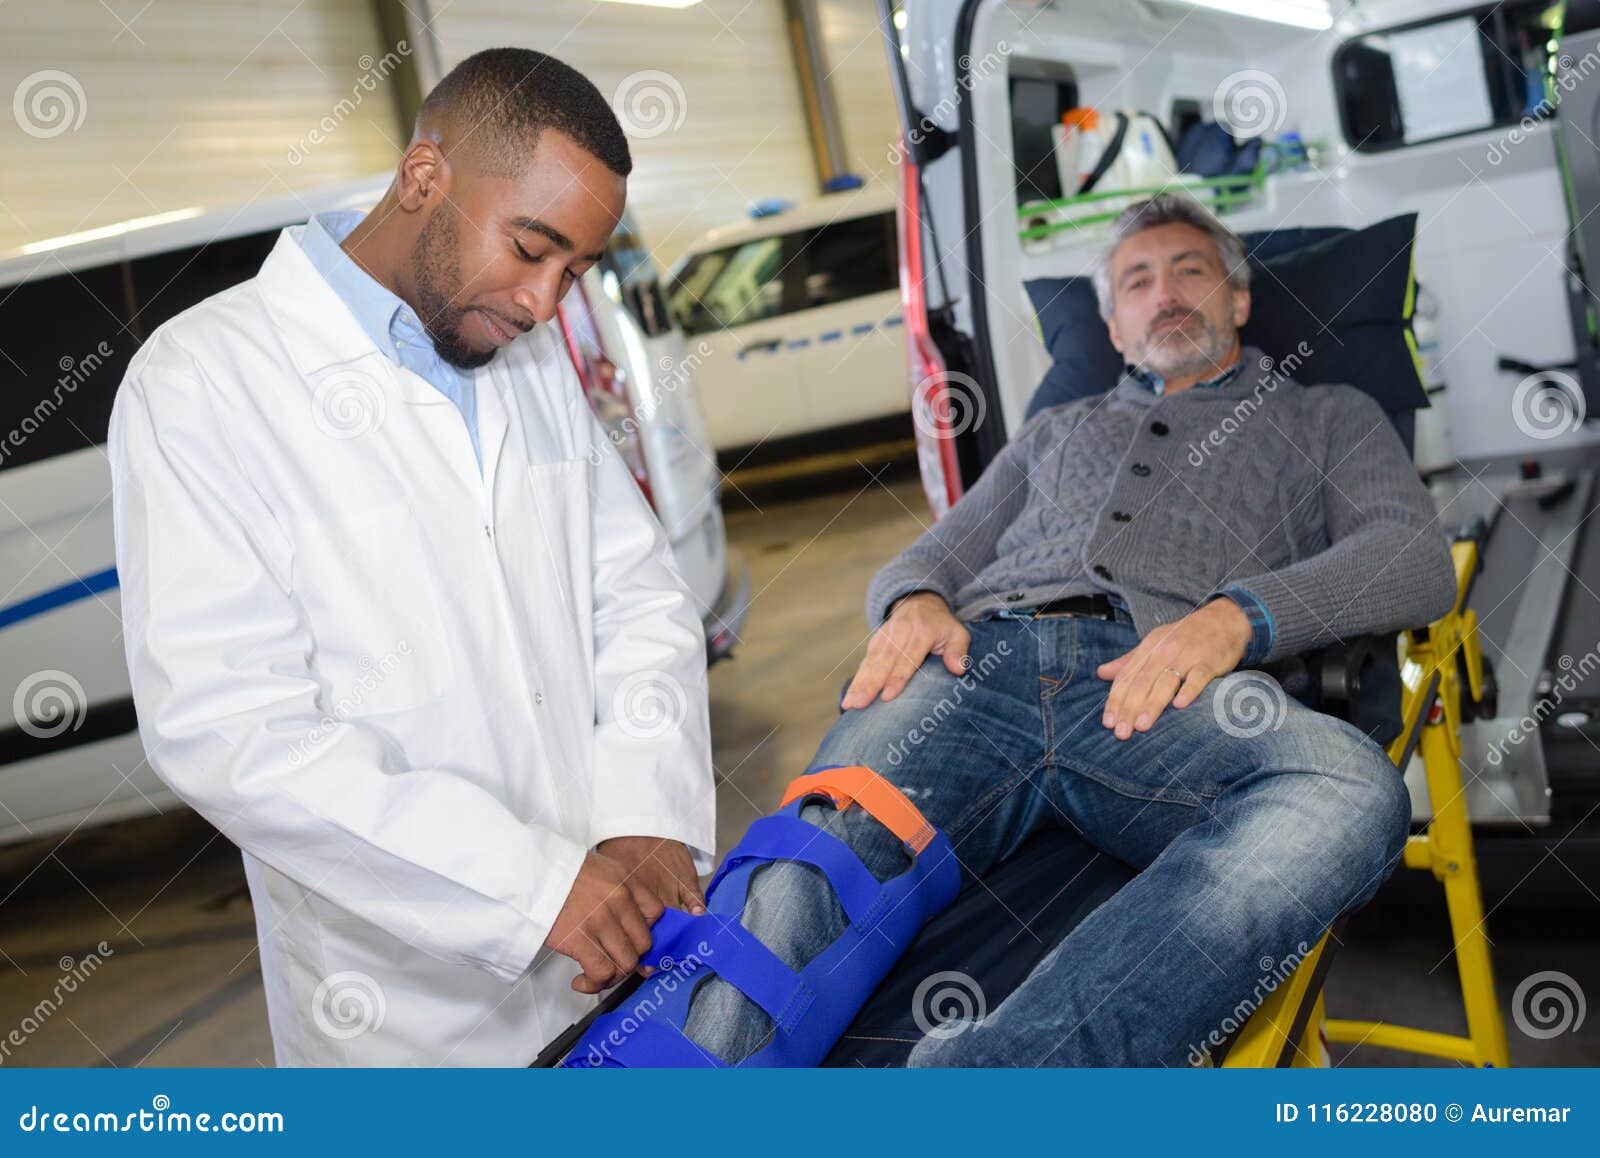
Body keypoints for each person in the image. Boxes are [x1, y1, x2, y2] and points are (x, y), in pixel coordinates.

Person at [679, 194, 1456, 1066]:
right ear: (1114, 330)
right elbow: (930, 557)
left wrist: (1238, 618)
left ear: (1239, 301)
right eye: (1136, 281)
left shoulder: (1326, 415)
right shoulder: (1053, 431)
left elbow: (1411, 556)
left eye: (1191, 270)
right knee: (812, 860)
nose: (1164, 292)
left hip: (1160, 685)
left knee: (1345, 793)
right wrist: (913, 604)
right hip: (974, 672)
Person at [108, 48, 713, 1066]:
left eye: (574, 271)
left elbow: (637, 594)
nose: (542, 303)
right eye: (531, 248)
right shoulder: (202, 384)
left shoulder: (521, 358)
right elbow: (230, 731)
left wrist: (646, 814)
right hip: (407, 1026)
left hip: (614, 971)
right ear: (423, 177)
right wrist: (525, 888)